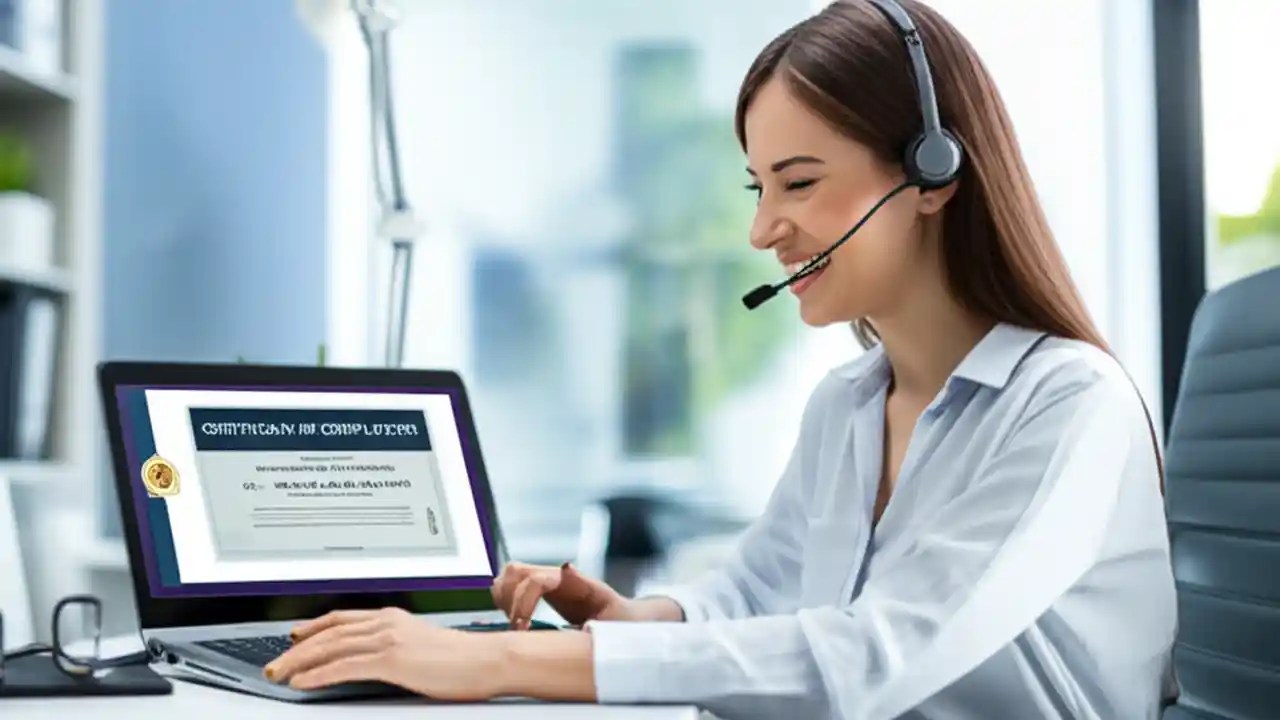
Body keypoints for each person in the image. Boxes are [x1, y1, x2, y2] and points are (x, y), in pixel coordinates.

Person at [263, 1, 1177, 717]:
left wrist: (497, 659)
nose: (761, 229)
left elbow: (874, 659)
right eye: (759, 186)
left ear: (932, 174)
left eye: (801, 182)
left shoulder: (1070, 407)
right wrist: (631, 622)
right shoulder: (849, 406)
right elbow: (752, 593)